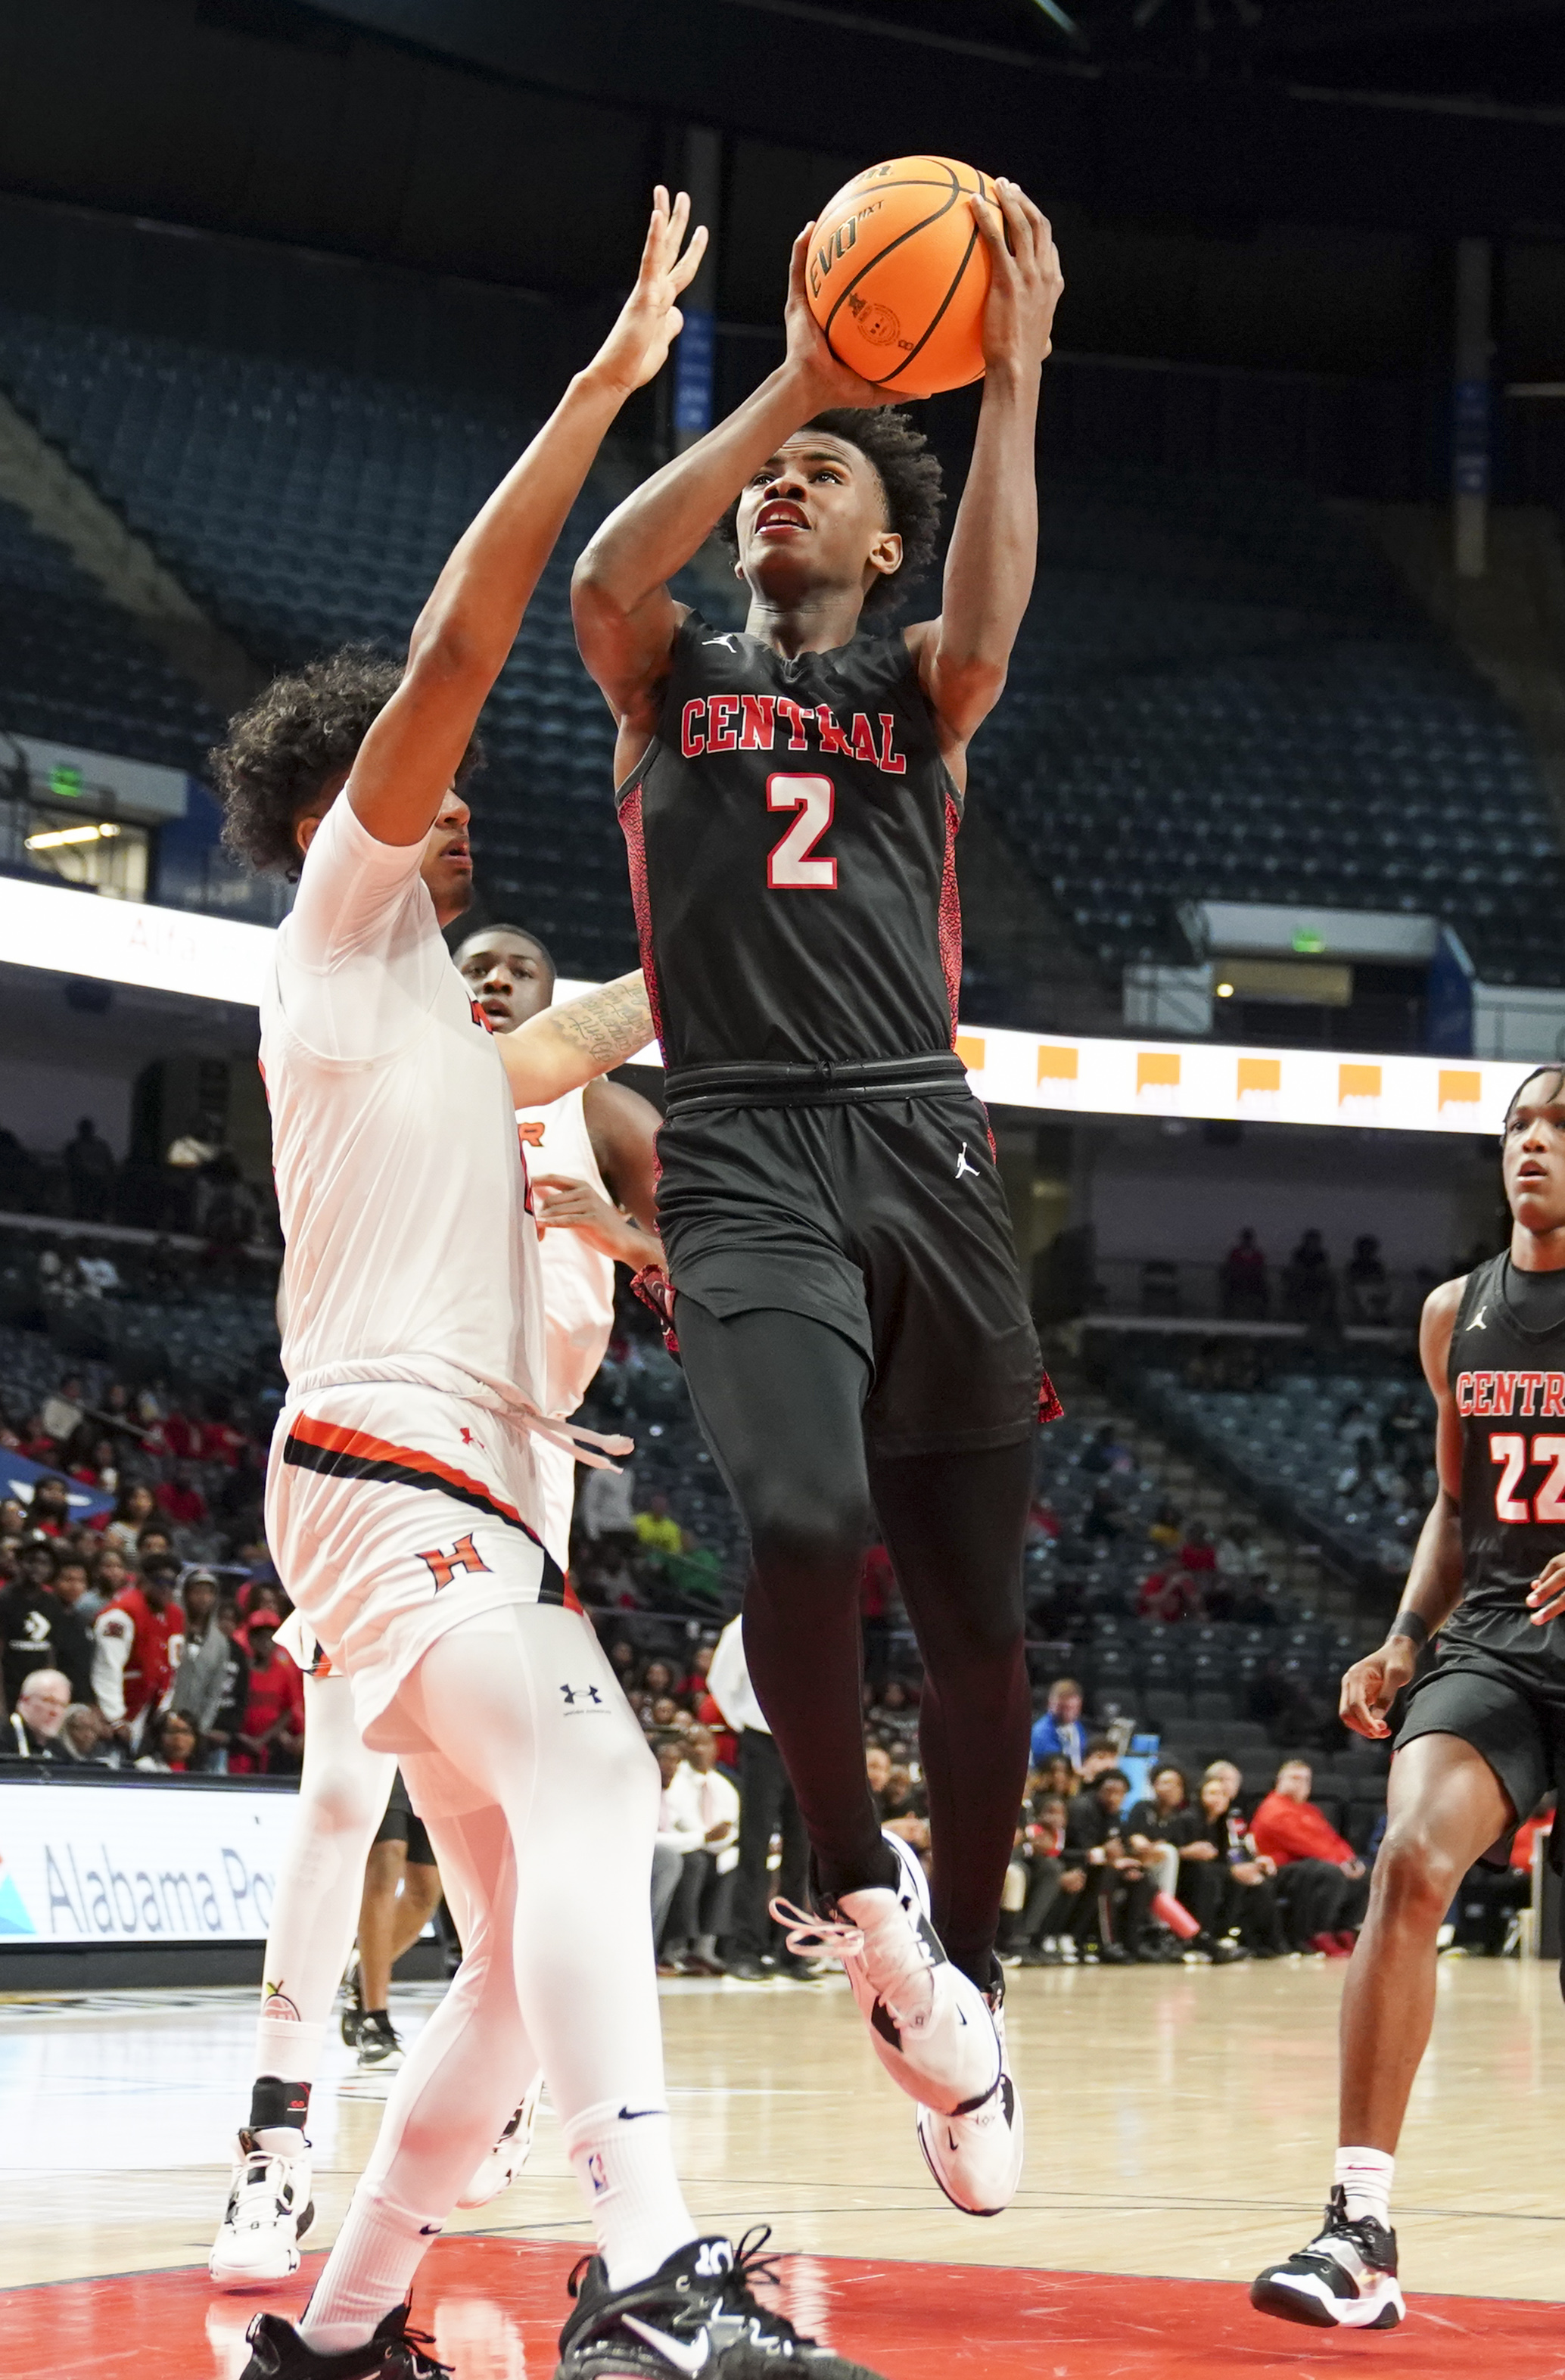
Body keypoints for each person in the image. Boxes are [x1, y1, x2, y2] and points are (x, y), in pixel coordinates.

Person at [210, 191, 874, 2380]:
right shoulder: (337, 936)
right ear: (341, 814)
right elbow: (457, 649)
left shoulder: (435, 1029)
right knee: (597, 1784)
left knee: (515, 1964)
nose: (463, 809)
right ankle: (654, 2273)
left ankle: (338, 2331)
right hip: (392, 1470)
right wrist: (606, 391)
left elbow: (595, 1024)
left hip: (460, 1500)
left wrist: (769, 912)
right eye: (421, 797)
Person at [572, 170, 1064, 2222]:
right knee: (794, 1516)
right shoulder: (664, 672)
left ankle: (968, 1997)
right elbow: (601, 568)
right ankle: (855, 1890)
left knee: (981, 1635)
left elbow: (994, 622)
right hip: (746, 1139)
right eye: (776, 477)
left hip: (918, 1140)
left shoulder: (915, 692)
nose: (787, 490)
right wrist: (791, 382)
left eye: (830, 475)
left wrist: (1009, 378)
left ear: (884, 545)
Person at [1252, 1062, 1565, 2335]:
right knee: (1405, 1863)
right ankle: (1358, 2230)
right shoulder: (1455, 1313)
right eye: (1519, 1124)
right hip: (1494, 1642)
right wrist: (1400, 1638)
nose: (1534, 1141)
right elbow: (1451, 1500)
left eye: (1560, 1126)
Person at [454, 919, 663, 1572]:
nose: (496, 980)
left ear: (551, 1002)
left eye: (521, 972)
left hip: (529, 1426)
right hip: (402, 1402)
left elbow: (716, 1262)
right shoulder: (396, 1092)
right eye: (477, 969)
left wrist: (623, 1238)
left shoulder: (600, 1112)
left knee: (509, 1628)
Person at [705, 1611, 809, 1983]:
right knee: (755, 1845)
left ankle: (793, 1951)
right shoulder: (748, 1623)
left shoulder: (818, 1618)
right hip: (762, 1740)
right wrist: (748, 1724)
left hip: (806, 1742)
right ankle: (744, 1950)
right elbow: (720, 1681)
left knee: (802, 1849)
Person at [1249, 1759, 1368, 1955]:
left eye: (1305, 1780)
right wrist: (1340, 1863)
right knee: (1329, 1873)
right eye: (1294, 1778)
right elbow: (1304, 1843)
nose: (1300, 1784)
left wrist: (1351, 1860)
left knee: (1364, 1875)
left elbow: (1332, 1839)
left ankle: (1344, 1931)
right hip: (1282, 1869)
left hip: (1310, 1865)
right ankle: (1317, 1933)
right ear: (1280, 1781)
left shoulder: (1310, 1810)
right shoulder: (1274, 1809)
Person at [92, 1553, 185, 1746]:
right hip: (118, 1713)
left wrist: (164, 1710)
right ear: (143, 1580)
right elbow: (107, 1669)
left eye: (172, 1583)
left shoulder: (174, 1615)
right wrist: (115, 1718)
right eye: (160, 1581)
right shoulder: (121, 1615)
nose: (166, 1588)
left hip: (150, 1713)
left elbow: (172, 1667)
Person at [0, 1545, 95, 1710]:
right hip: (9, 1686)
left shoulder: (52, 1603)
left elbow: (52, 1651)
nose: (37, 1568)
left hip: (37, 1688)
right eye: (31, 1561)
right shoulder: (5, 1599)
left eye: (45, 1563)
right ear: (19, 1563)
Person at [4, 1666, 71, 1757]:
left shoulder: (60, 1752)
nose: (56, 1712)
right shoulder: (4, 1740)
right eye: (50, 1701)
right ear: (25, 1700)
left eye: (63, 1705)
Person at [1029, 1677, 1088, 1769]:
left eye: (1072, 1708)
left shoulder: (1078, 1727)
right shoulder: (1041, 1732)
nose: (1067, 1714)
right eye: (1063, 1708)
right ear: (1051, 1704)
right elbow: (1055, 1764)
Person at [1220, 1227, 1268, 1321]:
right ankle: (1227, 1316)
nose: (1247, 1241)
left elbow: (1261, 1269)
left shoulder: (1257, 1254)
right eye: (1245, 1238)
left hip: (1253, 1283)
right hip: (1236, 1282)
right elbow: (1229, 1266)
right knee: (1227, 1292)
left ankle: (1262, 1317)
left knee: (1265, 1292)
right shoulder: (1235, 1253)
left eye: (1248, 1238)